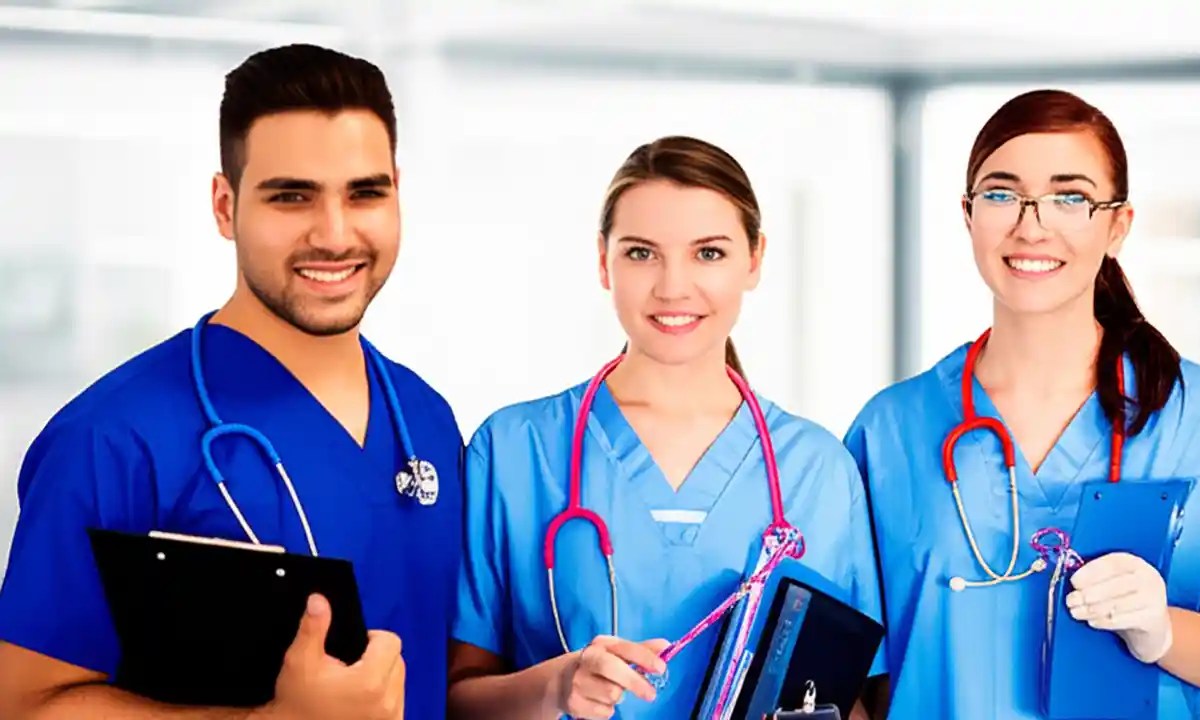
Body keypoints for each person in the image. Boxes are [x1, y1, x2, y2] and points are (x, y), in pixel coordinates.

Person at [0, 44, 462, 720]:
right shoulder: (113, 440)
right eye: (292, 196)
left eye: (365, 193)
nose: (334, 234)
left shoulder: (424, 417)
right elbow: (25, 703)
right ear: (225, 205)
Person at [844, 88, 1200, 719]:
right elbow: (847, 670)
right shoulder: (891, 429)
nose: (1031, 223)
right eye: (1001, 193)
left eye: (1070, 196)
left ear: (1117, 225)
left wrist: (1164, 633)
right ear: (968, 215)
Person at [445, 136, 885, 719]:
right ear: (603, 261)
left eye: (708, 253)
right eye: (641, 253)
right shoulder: (514, 452)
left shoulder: (818, 471)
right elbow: (454, 700)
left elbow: (850, 701)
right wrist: (558, 686)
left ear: (754, 259)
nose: (673, 287)